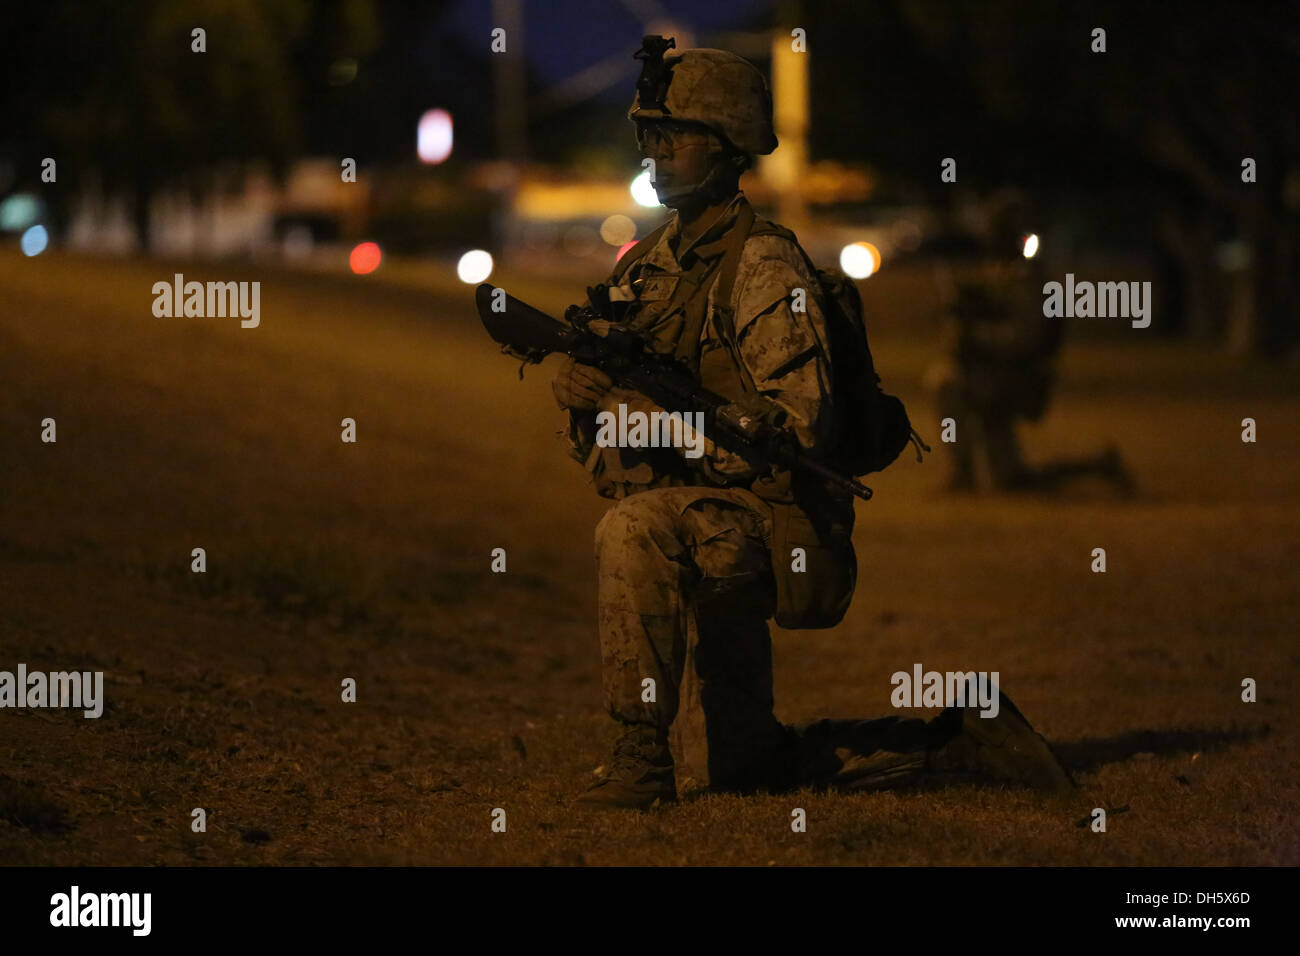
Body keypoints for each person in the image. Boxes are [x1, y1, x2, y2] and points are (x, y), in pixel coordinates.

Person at [552, 37, 1071, 809]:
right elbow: (614, 454)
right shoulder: (646, 267)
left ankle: (636, 760)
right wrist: (586, 402)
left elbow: (795, 431)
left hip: (781, 526)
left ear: (729, 149)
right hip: (707, 514)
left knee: (632, 531)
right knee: (743, 770)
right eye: (648, 138)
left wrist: (652, 422)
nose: (656, 154)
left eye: (676, 136)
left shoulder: (762, 265)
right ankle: (958, 740)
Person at [929, 195, 1133, 493]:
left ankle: (963, 475)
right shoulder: (1007, 273)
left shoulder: (1028, 278)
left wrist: (975, 333)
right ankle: (1099, 466)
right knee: (1012, 481)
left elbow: (1023, 340)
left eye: (997, 231)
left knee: (947, 386)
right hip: (1002, 373)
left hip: (1016, 377)